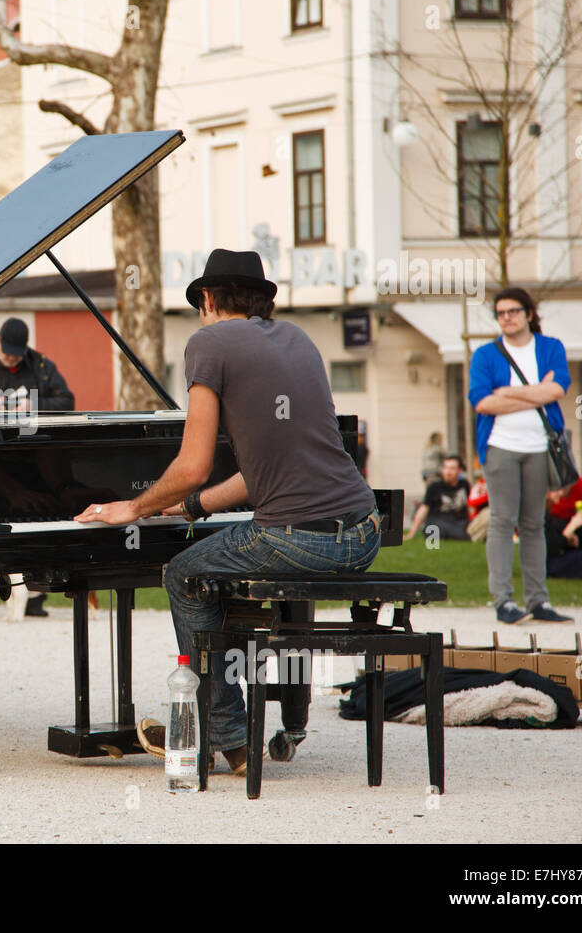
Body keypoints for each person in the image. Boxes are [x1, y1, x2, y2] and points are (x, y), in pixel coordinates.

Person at [74, 250, 380, 774]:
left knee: (184, 574)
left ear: (210, 299)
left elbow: (193, 465)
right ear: (261, 300)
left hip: (297, 538)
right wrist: (186, 507)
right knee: (219, 568)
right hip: (363, 531)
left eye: (200, 304)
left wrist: (134, 507)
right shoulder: (299, 340)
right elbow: (258, 473)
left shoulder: (208, 343)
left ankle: (228, 738)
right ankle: (232, 724)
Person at [0, 318, 76, 618]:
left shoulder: (43, 368)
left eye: (16, 353)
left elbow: (66, 401)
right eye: (8, 351)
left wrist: (32, 408)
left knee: (35, 522)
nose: (12, 357)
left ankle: (34, 598)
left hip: (31, 458)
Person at [469, 287, 572, 624]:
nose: (507, 317)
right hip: (500, 446)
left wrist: (511, 392)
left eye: (513, 311)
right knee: (501, 520)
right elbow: (482, 402)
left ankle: (538, 601)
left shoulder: (550, 347)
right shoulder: (485, 354)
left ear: (529, 314)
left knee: (534, 524)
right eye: (500, 313)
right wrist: (536, 393)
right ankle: (503, 601)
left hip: (539, 447)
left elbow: (559, 389)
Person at [404, 454, 471, 542]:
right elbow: (424, 509)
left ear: (460, 471)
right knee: (435, 529)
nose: (448, 472)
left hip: (459, 522)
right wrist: (411, 534)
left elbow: (470, 506)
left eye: (452, 468)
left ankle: (463, 534)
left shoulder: (464, 485)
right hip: (438, 522)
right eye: (446, 468)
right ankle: (464, 535)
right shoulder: (434, 487)